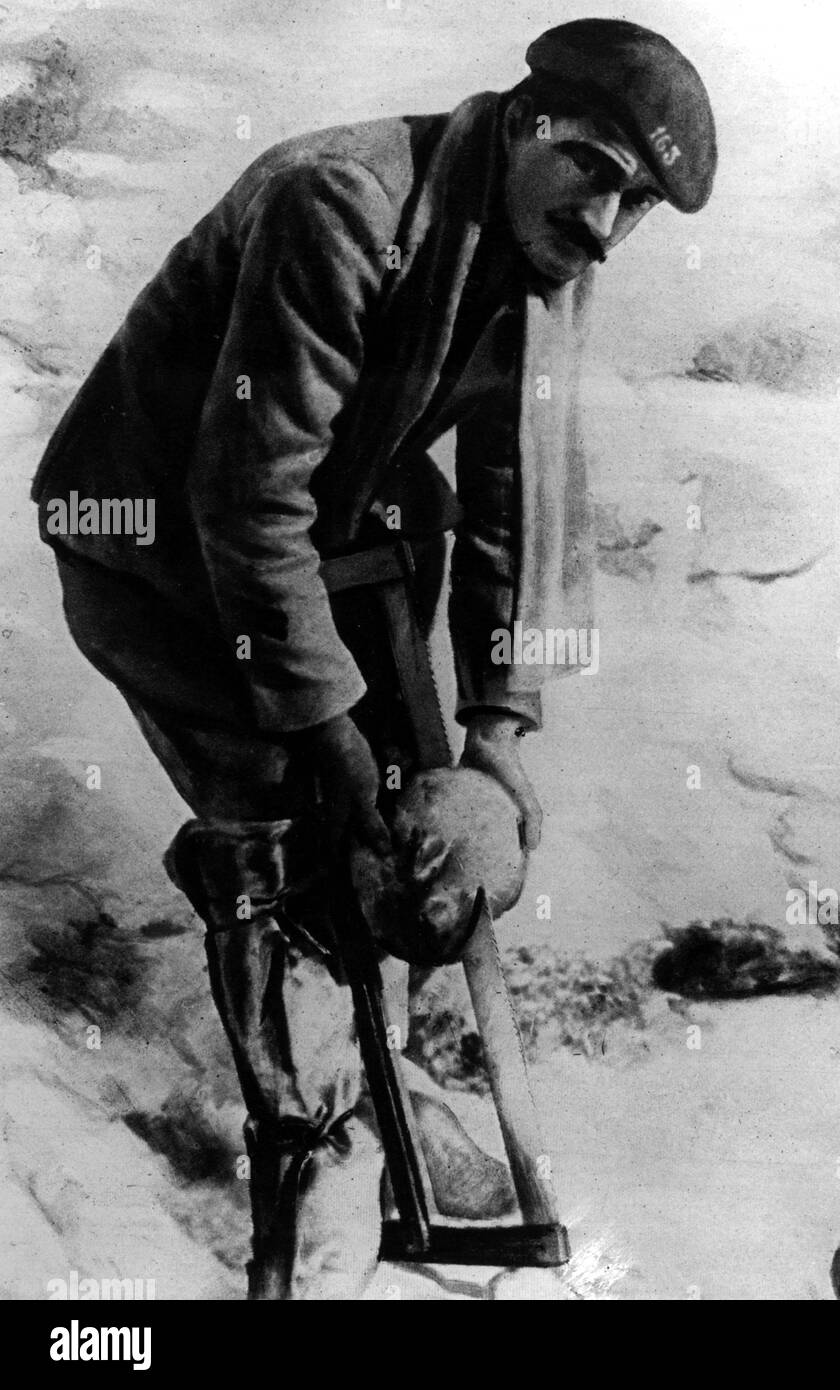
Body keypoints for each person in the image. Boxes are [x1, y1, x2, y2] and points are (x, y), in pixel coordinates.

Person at [30, 17, 717, 1298]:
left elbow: (519, 487)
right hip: (156, 535)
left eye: (638, 205)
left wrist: (495, 728)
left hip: (345, 527)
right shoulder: (334, 202)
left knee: (400, 831)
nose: (608, 225)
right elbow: (246, 498)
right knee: (277, 806)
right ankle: (291, 1129)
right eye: (596, 173)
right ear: (526, 123)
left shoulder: (549, 245)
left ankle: (385, 1088)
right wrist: (329, 734)